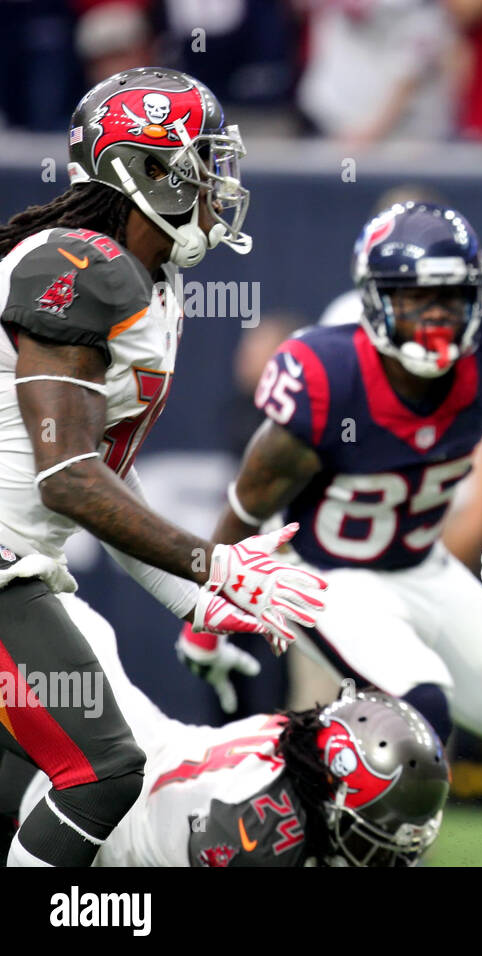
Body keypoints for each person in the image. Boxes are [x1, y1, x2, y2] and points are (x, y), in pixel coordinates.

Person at [193, 202, 482, 850]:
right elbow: (246, 507)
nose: (435, 316)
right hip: (331, 575)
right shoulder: (327, 376)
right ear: (375, 303)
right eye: (414, 299)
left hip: (425, 567)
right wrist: (205, 621)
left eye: (450, 299)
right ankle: (362, 850)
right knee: (420, 712)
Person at [0, 67, 327, 867]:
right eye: (204, 162)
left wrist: (198, 595)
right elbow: (67, 477)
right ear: (146, 169)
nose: (220, 183)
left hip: (17, 563)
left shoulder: (146, 280)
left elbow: (101, 469)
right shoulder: (77, 265)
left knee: (21, 789)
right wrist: (212, 561)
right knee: (102, 772)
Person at [10, 595, 448, 867]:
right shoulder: (258, 841)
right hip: (99, 841)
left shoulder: (308, 745)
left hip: (147, 743)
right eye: (374, 831)